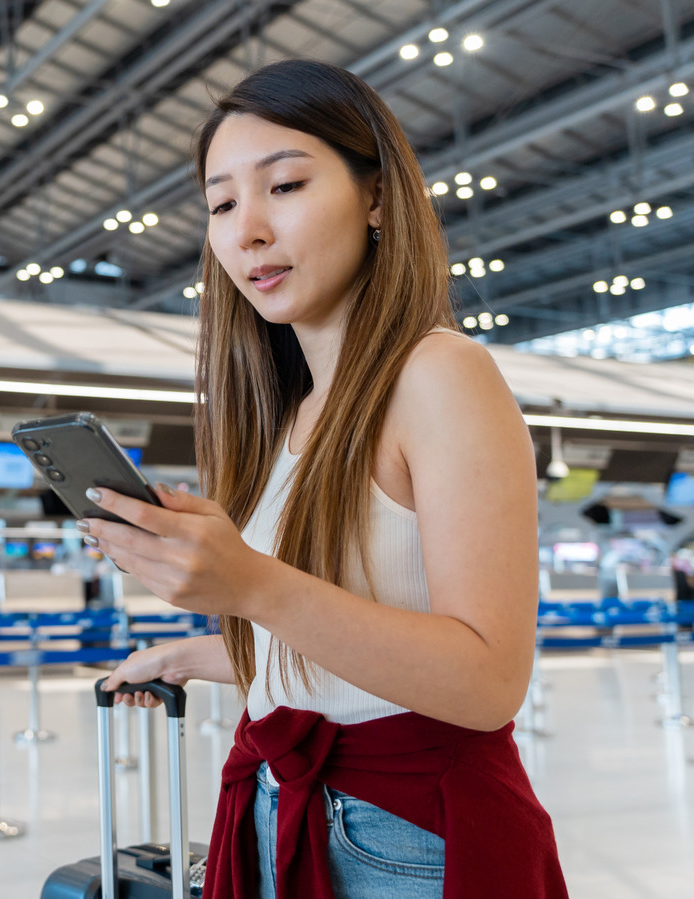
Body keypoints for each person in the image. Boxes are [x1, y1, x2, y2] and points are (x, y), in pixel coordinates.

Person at [88, 60, 567, 898]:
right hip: (285, 803)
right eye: (223, 204)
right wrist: (198, 651)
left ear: (377, 196)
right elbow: (357, 645)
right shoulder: (291, 413)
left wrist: (252, 585)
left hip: (407, 837)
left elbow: (488, 682)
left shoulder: (440, 372)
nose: (248, 231)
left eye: (285, 186)